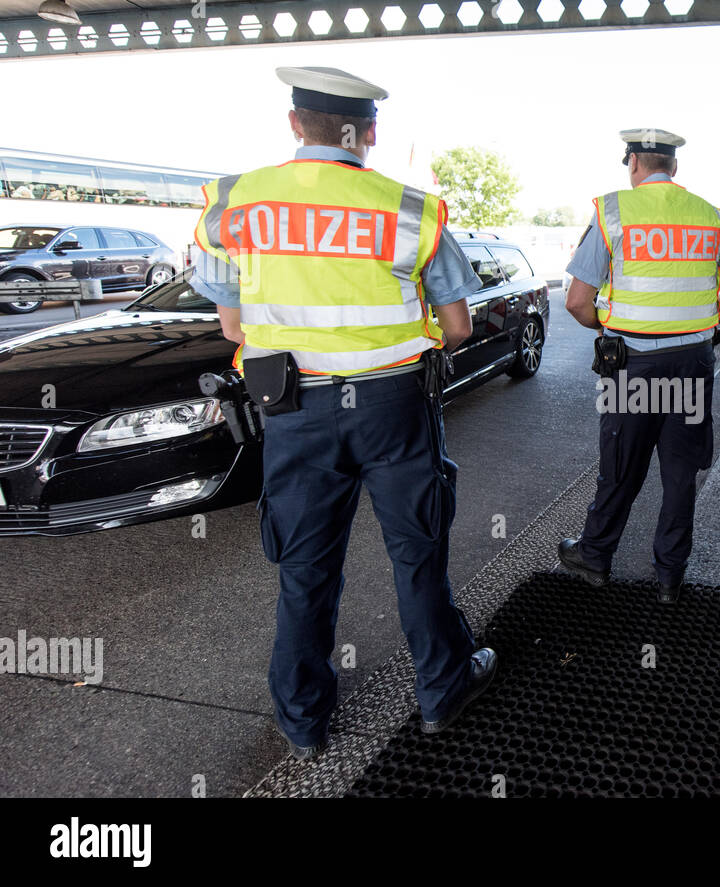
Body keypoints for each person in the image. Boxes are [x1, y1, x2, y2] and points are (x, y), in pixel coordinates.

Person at [191, 66, 497, 761]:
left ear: (296, 125)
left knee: (305, 566)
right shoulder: (408, 209)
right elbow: (457, 327)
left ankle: (302, 720)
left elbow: (235, 331)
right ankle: (443, 690)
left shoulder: (235, 202)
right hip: (392, 405)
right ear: (369, 134)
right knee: (418, 554)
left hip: (293, 405)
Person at [556, 128, 720, 603]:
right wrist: (695, 326)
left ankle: (596, 558)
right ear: (674, 167)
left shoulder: (613, 213)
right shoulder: (713, 220)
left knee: (621, 464)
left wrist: (610, 326)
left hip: (631, 367)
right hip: (691, 363)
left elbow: (577, 302)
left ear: (634, 164)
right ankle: (669, 576)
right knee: (680, 473)